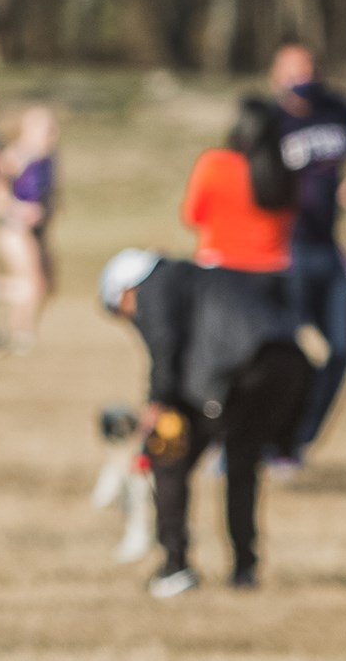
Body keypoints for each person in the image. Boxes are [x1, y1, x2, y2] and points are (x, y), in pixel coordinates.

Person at [99, 249, 310, 597]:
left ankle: (175, 566)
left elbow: (165, 343)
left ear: (124, 290)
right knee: (243, 463)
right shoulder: (197, 276)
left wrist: (158, 401)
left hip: (235, 372)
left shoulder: (154, 286)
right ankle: (245, 569)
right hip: (286, 363)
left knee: (167, 456)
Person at [269, 43, 346, 459]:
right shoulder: (270, 123)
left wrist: (343, 184)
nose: (300, 80)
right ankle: (262, 435)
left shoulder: (338, 110)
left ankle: (298, 438)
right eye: (291, 72)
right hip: (287, 251)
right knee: (283, 349)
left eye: (307, 71)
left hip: (329, 247)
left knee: (343, 346)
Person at [181, 96, 297, 274]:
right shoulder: (285, 168)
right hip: (275, 270)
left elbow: (192, 217)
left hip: (217, 267)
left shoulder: (213, 164)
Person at [0, 103, 57, 354]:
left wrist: (48, 212)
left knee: (47, 285)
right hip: (13, 229)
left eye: (53, 128)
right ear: (27, 130)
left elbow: (49, 196)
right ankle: (22, 335)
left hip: (37, 230)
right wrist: (18, 211)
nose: (52, 134)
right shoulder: (16, 157)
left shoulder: (49, 158)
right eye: (46, 129)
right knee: (33, 283)